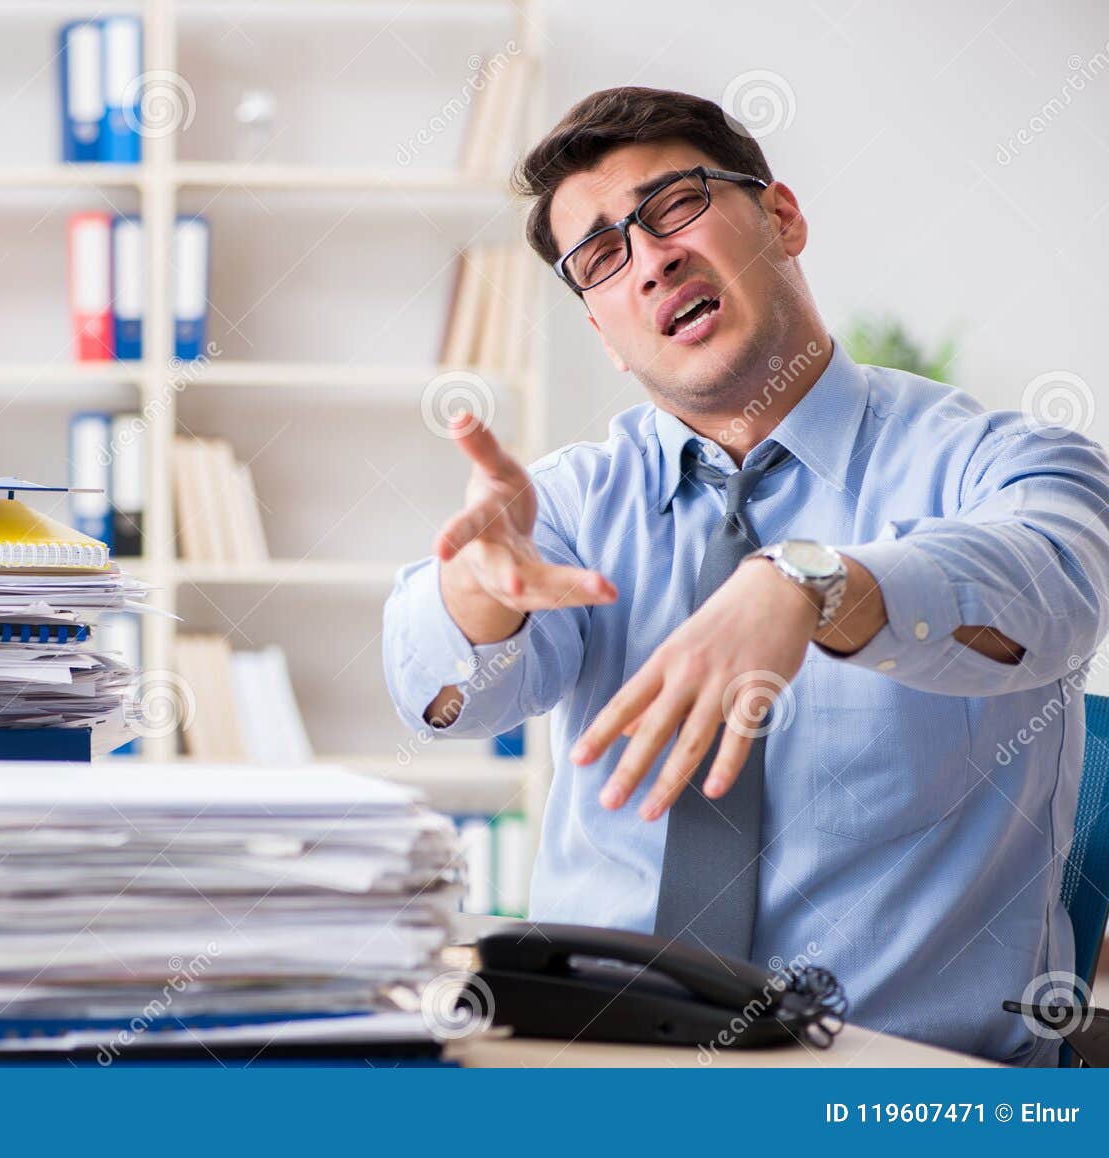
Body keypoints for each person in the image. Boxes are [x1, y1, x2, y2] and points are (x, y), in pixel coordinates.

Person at [381, 86, 1109, 1064]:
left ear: (780, 215)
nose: (650, 261)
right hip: (594, 1082)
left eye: (674, 204)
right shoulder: (571, 505)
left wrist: (809, 583)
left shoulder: (998, 462)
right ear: (600, 328)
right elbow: (437, 697)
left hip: (894, 1097)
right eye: (600, 256)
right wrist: (478, 589)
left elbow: (1060, 585)